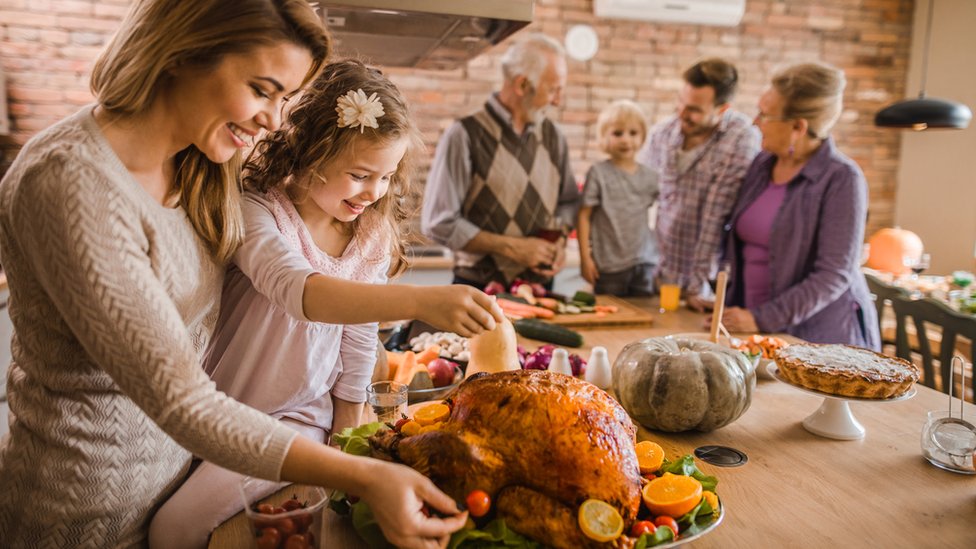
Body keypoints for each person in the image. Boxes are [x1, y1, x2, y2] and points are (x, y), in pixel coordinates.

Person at [0, 2, 492, 546]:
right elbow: (181, 399)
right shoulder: (72, 182)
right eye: (262, 89)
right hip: (82, 515)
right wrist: (364, 472)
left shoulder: (199, 167)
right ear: (182, 53)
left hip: (173, 481)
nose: (276, 120)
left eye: (285, 97)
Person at [147, 59, 456, 548]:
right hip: (222, 413)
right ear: (312, 153)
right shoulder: (258, 210)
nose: (373, 193)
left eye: (386, 177)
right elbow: (294, 288)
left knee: (174, 528)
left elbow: (358, 338)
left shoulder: (369, 234)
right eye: (359, 174)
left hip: (299, 422)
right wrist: (419, 299)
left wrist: (347, 433)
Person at [717, 62, 881, 350]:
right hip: (755, 331)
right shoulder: (762, 164)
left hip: (818, 340)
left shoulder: (842, 178)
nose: (756, 122)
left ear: (798, 127)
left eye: (765, 115)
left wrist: (761, 318)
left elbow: (834, 274)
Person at [422, 33, 580, 290]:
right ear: (521, 85)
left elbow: (569, 202)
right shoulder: (465, 135)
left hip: (540, 291)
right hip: (478, 292)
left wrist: (559, 243)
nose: (558, 101)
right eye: (553, 90)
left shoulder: (554, 136)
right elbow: (440, 224)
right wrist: (514, 248)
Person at [636, 58, 760, 311]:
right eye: (681, 102)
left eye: (694, 109)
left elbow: (716, 214)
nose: (681, 112)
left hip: (706, 284)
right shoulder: (663, 133)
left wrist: (697, 284)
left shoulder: (741, 138)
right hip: (658, 274)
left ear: (722, 109)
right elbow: (639, 198)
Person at [577, 99, 660, 296]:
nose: (626, 140)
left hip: (644, 262)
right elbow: (583, 216)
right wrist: (585, 258)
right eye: (617, 133)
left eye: (633, 133)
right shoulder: (598, 173)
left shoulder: (651, 177)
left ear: (642, 137)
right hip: (608, 265)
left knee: (644, 316)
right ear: (604, 137)